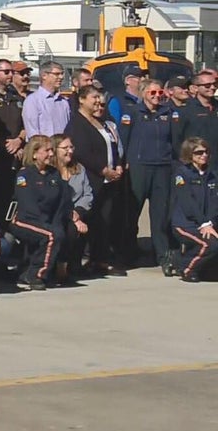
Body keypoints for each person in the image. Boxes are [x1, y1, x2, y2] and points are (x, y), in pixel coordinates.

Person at [65, 85, 125, 275]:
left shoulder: (103, 122)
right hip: (91, 178)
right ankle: (74, 263)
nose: (98, 101)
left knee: (104, 222)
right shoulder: (77, 124)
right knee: (86, 219)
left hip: (108, 181)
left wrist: (118, 165)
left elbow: (115, 145)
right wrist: (103, 170)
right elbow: (81, 152)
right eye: (94, 97)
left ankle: (99, 260)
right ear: (82, 100)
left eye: (99, 97)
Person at [118, 79, 175, 274]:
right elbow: (123, 141)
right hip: (139, 167)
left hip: (162, 168)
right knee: (132, 213)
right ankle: (128, 254)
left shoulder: (168, 113)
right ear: (143, 94)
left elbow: (174, 141)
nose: (157, 96)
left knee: (160, 215)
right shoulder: (132, 112)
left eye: (160, 93)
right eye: (152, 93)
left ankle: (163, 256)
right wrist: (122, 163)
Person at [10, 135, 71, 290]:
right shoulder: (24, 175)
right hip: (25, 220)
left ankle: (36, 271)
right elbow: (27, 205)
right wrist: (47, 225)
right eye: (47, 150)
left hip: (46, 221)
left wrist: (55, 223)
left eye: (52, 150)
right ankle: (35, 274)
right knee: (51, 234)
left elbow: (61, 202)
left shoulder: (54, 174)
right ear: (35, 153)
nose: (51, 154)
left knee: (58, 231)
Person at [171, 137, 218, 283]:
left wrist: (210, 222)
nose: (204, 155)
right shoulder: (182, 174)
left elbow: (214, 202)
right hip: (185, 224)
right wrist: (204, 223)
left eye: (206, 152)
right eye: (199, 152)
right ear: (190, 154)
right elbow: (188, 203)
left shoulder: (212, 175)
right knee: (209, 245)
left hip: (206, 223)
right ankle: (186, 268)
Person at [0, 59, 26, 225]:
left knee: (14, 197)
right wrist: (7, 145)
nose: (11, 75)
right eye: (6, 72)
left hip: (17, 155)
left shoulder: (16, 97)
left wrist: (19, 140)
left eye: (12, 72)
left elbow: (25, 124)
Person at [51, 135, 92, 283]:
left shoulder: (79, 169)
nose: (70, 151)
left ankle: (73, 265)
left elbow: (87, 194)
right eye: (65, 148)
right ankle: (60, 266)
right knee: (69, 229)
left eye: (71, 147)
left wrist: (77, 213)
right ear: (54, 150)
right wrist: (71, 216)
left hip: (77, 212)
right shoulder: (50, 172)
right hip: (57, 213)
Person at [172, 73, 218, 158]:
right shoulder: (185, 110)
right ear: (195, 88)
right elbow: (176, 139)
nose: (213, 87)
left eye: (215, 84)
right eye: (207, 85)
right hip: (195, 161)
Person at [22, 60, 70, 138]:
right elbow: (33, 133)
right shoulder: (32, 101)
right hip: (43, 148)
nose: (61, 77)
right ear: (44, 75)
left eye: (62, 74)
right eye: (57, 74)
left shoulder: (64, 102)